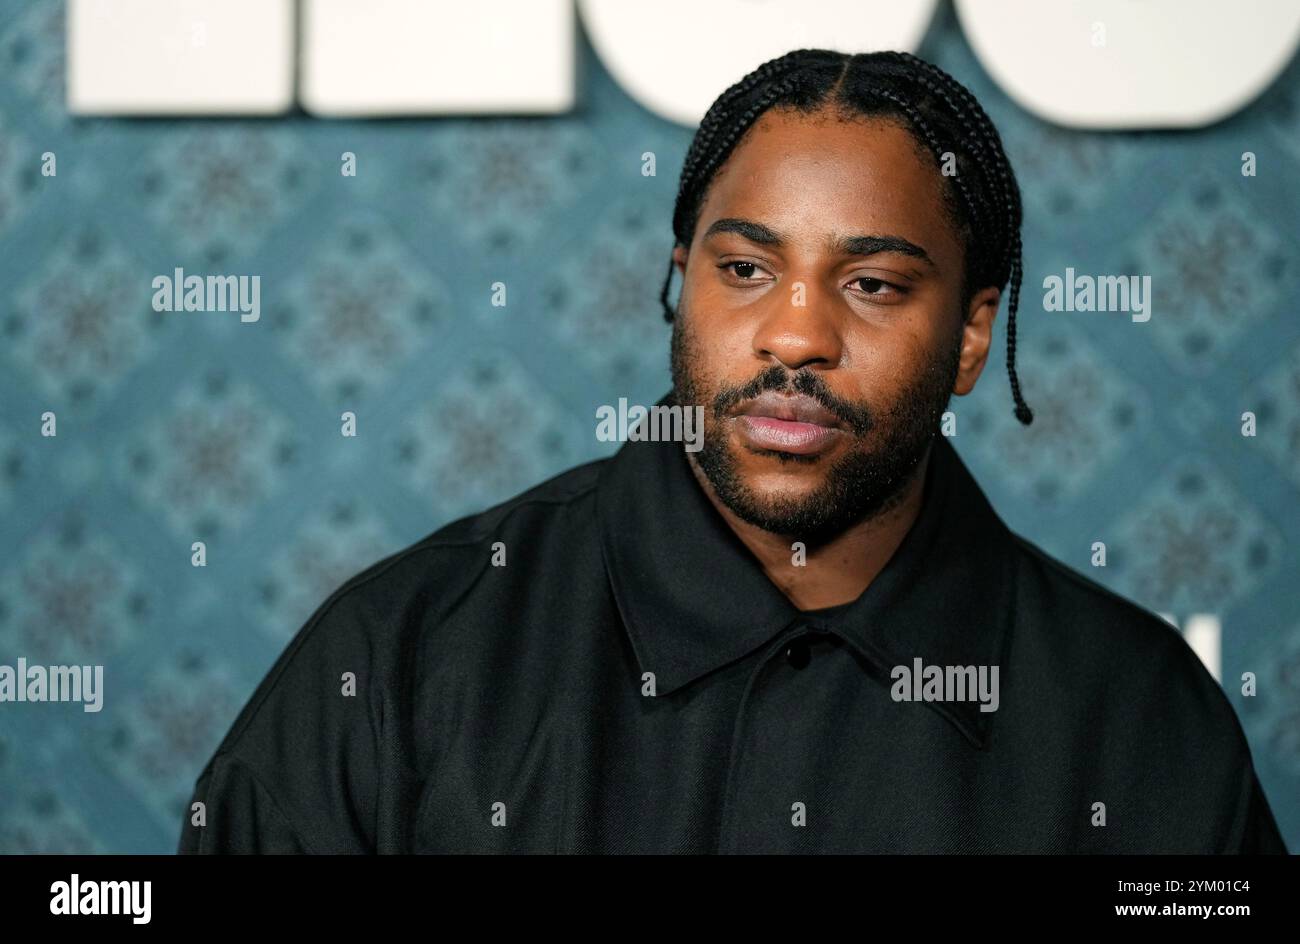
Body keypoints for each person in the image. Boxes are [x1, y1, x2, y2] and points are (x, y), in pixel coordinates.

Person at [179, 49, 1286, 854]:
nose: (795, 332)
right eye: (746, 269)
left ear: (970, 335)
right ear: (679, 284)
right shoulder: (405, 657)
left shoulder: (1135, 717)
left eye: (872, 283)